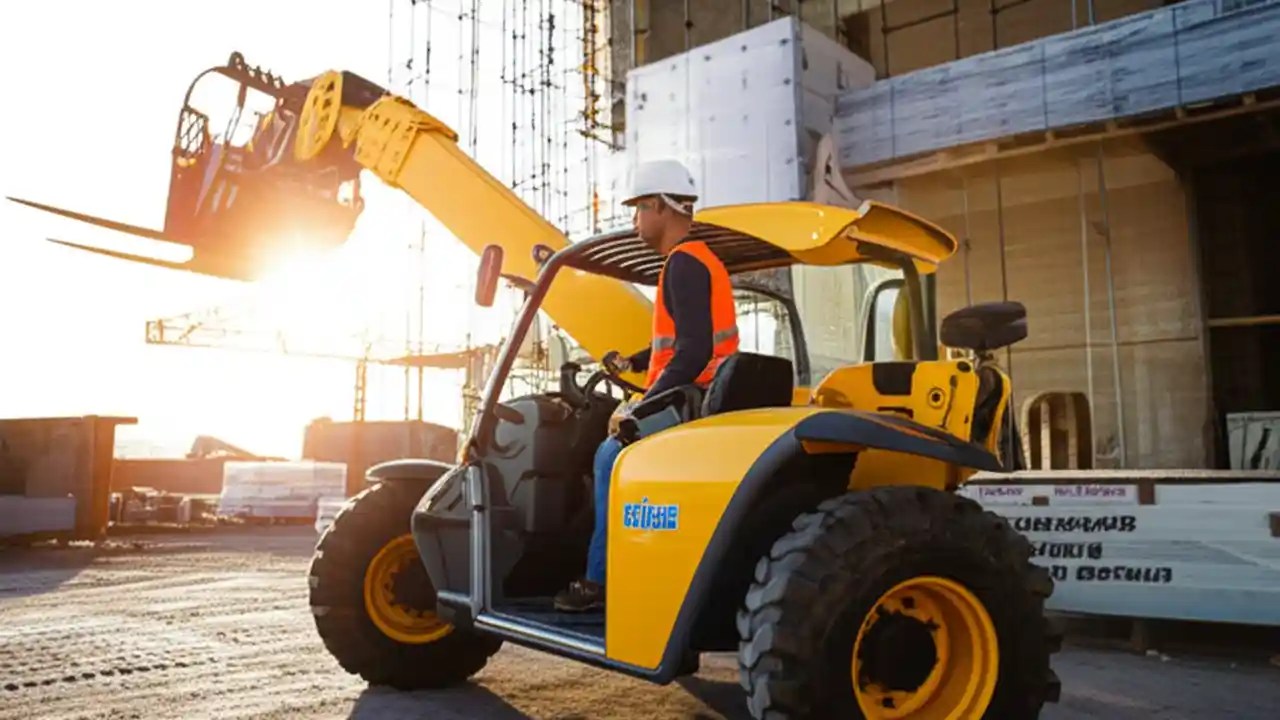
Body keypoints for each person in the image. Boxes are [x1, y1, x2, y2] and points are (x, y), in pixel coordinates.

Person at [554, 159, 740, 612]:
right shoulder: (697, 262)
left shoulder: (683, 264)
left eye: (638, 208)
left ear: (659, 206)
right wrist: (634, 361)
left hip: (692, 402)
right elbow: (683, 340)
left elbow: (693, 354)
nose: (635, 219)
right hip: (702, 396)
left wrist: (638, 409)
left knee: (608, 455)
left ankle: (598, 582)